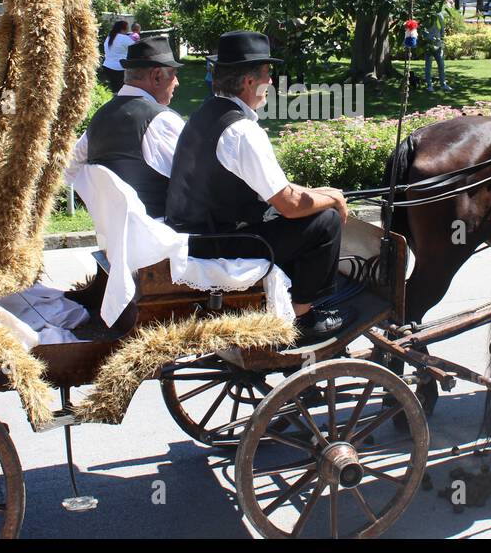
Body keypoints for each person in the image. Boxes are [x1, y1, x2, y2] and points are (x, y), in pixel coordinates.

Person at [167, 31, 350, 344]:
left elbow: (273, 187)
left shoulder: (205, 115)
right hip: (223, 244)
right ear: (250, 82)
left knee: (312, 213)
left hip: (199, 235)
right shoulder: (242, 131)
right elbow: (290, 205)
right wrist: (331, 199)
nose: (272, 84)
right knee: (326, 223)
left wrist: (320, 193)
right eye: (268, 75)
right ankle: (304, 316)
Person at [67, 36, 184, 220]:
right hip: (163, 238)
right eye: (173, 74)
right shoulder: (162, 120)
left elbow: (69, 169)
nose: (177, 82)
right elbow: (192, 183)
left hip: (112, 240)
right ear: (157, 76)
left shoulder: (99, 117)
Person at [423, 3, 452, 92]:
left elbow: (442, 29)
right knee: (431, 65)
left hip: (436, 43)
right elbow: (423, 29)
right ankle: (431, 85)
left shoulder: (437, 15)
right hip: (430, 43)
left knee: (439, 65)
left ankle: (441, 84)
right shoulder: (427, 16)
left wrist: (440, 39)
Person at [100, 19, 131, 92]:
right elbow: (136, 47)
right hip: (120, 68)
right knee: (123, 91)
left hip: (107, 67)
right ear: (124, 28)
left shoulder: (109, 38)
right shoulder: (125, 38)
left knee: (115, 90)